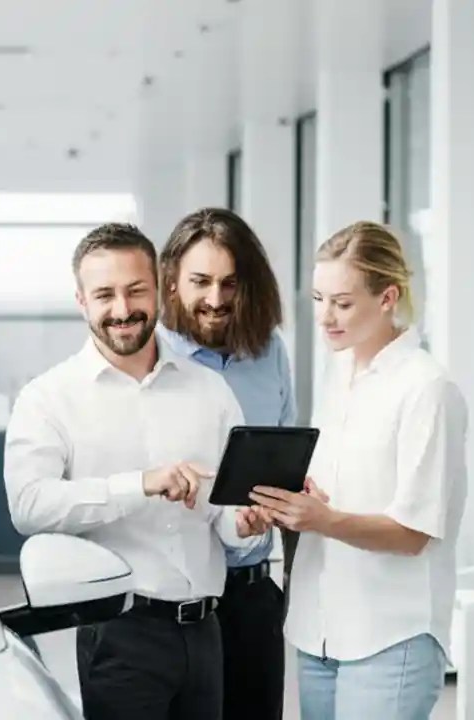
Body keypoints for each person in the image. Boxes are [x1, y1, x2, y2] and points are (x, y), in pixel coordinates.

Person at [4, 222, 274, 720]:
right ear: (81, 300)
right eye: (105, 294)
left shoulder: (209, 391)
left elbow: (224, 513)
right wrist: (140, 484)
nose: (123, 309)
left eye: (135, 291)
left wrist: (244, 523)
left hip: (206, 633)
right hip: (121, 635)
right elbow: (29, 505)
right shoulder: (48, 398)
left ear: (159, 289)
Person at [250, 221, 467, 720]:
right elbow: (344, 496)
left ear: (388, 297)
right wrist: (296, 504)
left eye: (342, 303)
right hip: (320, 629)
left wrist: (322, 520)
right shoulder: (340, 373)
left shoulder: (426, 389)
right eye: (318, 299)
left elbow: (414, 531)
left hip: (390, 634)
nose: (326, 317)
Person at [156, 207, 294, 720]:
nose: (215, 300)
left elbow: (285, 460)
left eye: (230, 283)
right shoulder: (148, 357)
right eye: (200, 282)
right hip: (176, 606)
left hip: (252, 593)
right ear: (171, 281)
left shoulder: (271, 353)